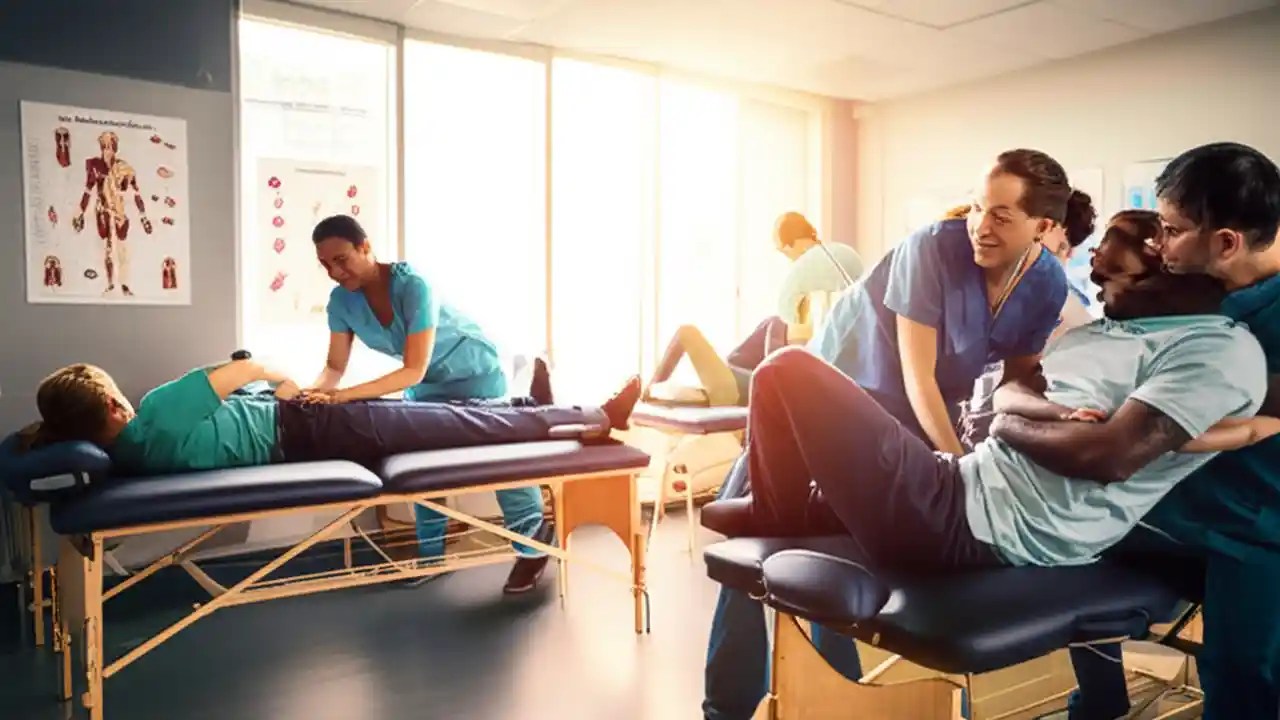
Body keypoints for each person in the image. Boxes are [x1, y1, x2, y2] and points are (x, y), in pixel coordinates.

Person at [701, 210, 1272, 646]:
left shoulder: (1214, 348)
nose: (1092, 269)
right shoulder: (1094, 334)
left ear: (1161, 261)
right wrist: (1024, 420)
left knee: (784, 371)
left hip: (970, 519)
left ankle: (780, 515)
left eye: (1106, 259)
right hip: (964, 481)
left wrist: (1014, 424)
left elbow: (1109, 452)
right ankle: (790, 511)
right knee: (784, 405)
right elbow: (1012, 393)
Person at [703, 149, 1089, 719]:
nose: (981, 226)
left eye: (1003, 216)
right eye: (981, 207)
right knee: (755, 555)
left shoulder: (1046, 282)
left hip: (909, 425)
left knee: (844, 564)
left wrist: (1027, 439)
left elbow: (1015, 387)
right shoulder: (932, 247)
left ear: (1045, 227)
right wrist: (958, 470)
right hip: (822, 407)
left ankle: (833, 698)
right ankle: (727, 710)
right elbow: (917, 377)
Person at [1068, 142, 1280, 720]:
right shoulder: (1202, 297)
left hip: (1255, 535)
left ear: (1227, 242)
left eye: (1171, 229)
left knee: (1243, 685)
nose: (1158, 243)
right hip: (1176, 514)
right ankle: (1101, 697)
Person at [305, 214, 548, 594]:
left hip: (475, 374)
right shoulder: (341, 302)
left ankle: (532, 547)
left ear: (365, 246)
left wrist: (344, 397)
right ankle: (430, 557)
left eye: (341, 259)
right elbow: (334, 366)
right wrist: (314, 392)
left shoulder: (413, 285)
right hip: (427, 386)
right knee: (421, 468)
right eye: (325, 264)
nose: (335, 272)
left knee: (501, 464)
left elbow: (412, 369)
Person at [21, 359, 641, 483]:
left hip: (299, 432)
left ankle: (530, 406)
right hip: (308, 429)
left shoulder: (126, 456)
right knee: (455, 422)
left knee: (441, 414)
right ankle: (590, 415)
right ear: (110, 408)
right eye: (114, 393)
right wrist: (287, 385)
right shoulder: (152, 416)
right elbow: (244, 366)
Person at [644, 212, 863, 407]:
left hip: (735, 384)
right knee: (770, 324)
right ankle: (649, 394)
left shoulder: (798, 335)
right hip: (742, 379)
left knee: (687, 332)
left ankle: (643, 397)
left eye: (783, 251)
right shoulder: (818, 331)